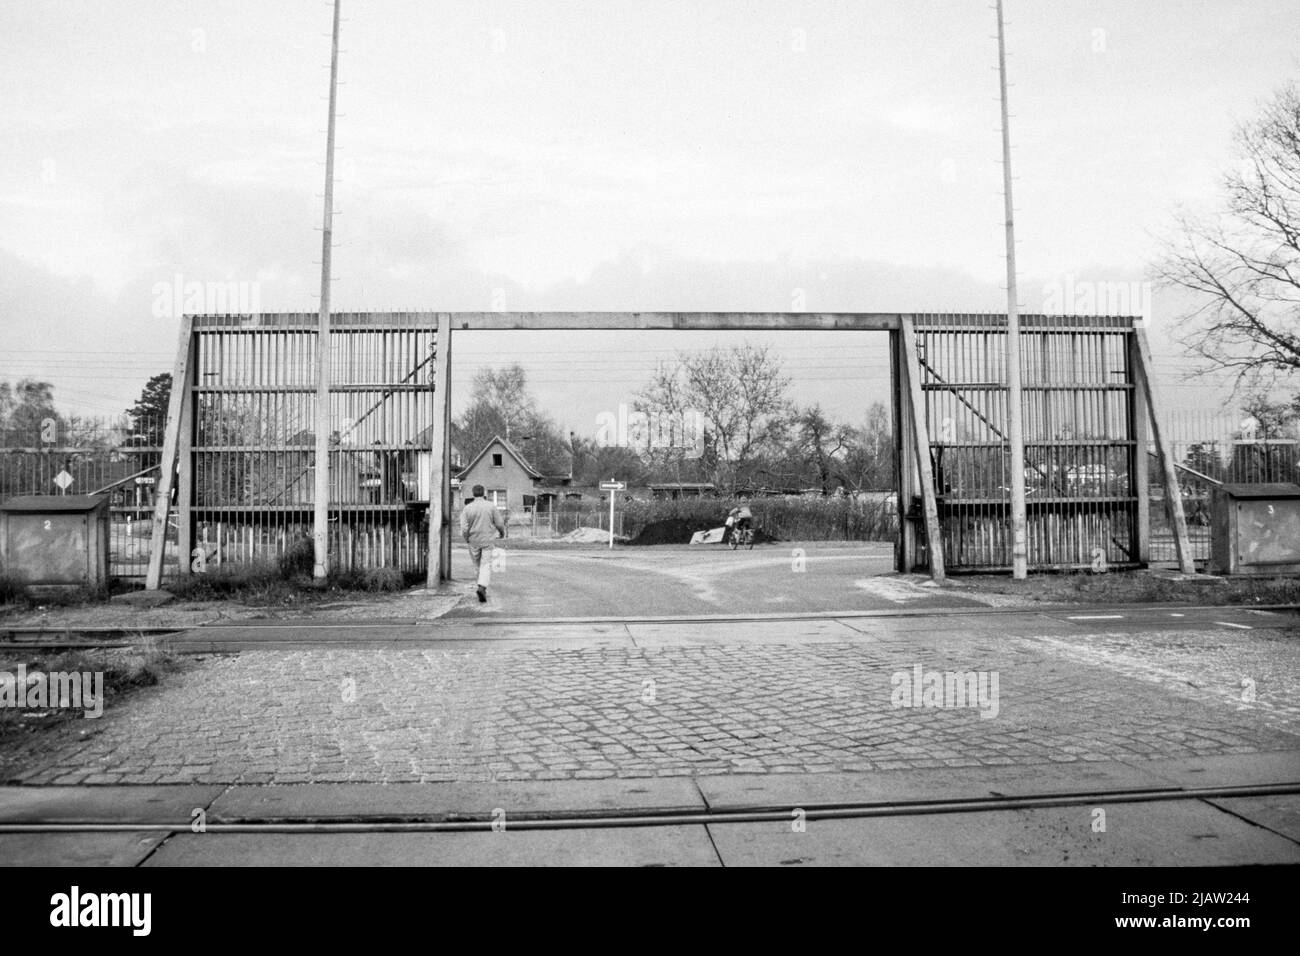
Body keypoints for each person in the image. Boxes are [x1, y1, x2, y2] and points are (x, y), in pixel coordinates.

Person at [460, 484, 506, 602]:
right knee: (486, 564)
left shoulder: (467, 508)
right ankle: (482, 587)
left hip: (473, 540)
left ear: (473, 493)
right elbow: (499, 523)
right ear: (484, 493)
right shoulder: (491, 506)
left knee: (476, 565)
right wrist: (501, 533)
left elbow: (464, 528)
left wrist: (467, 538)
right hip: (487, 540)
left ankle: (480, 586)